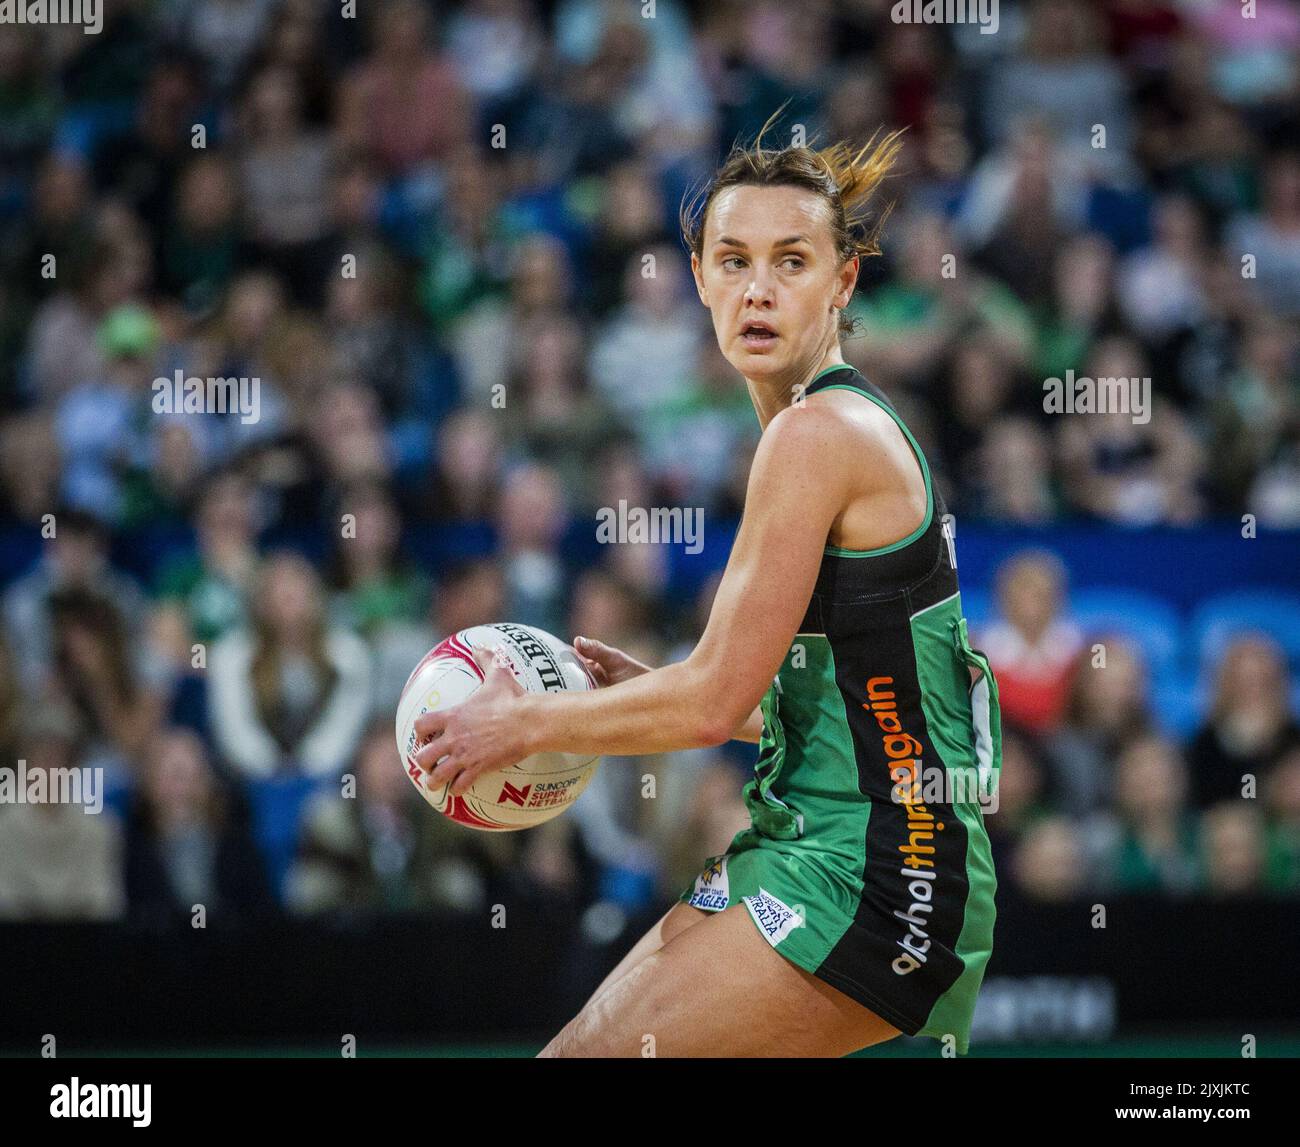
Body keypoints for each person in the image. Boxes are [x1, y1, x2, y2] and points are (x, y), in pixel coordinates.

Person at [412, 120, 1001, 1058]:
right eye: (733, 261)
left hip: (882, 876)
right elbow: (808, 711)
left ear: (843, 283)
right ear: (698, 279)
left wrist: (520, 725)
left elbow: (712, 697)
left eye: (792, 261)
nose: (757, 289)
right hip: (816, 845)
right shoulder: (807, 430)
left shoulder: (818, 436)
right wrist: (643, 689)